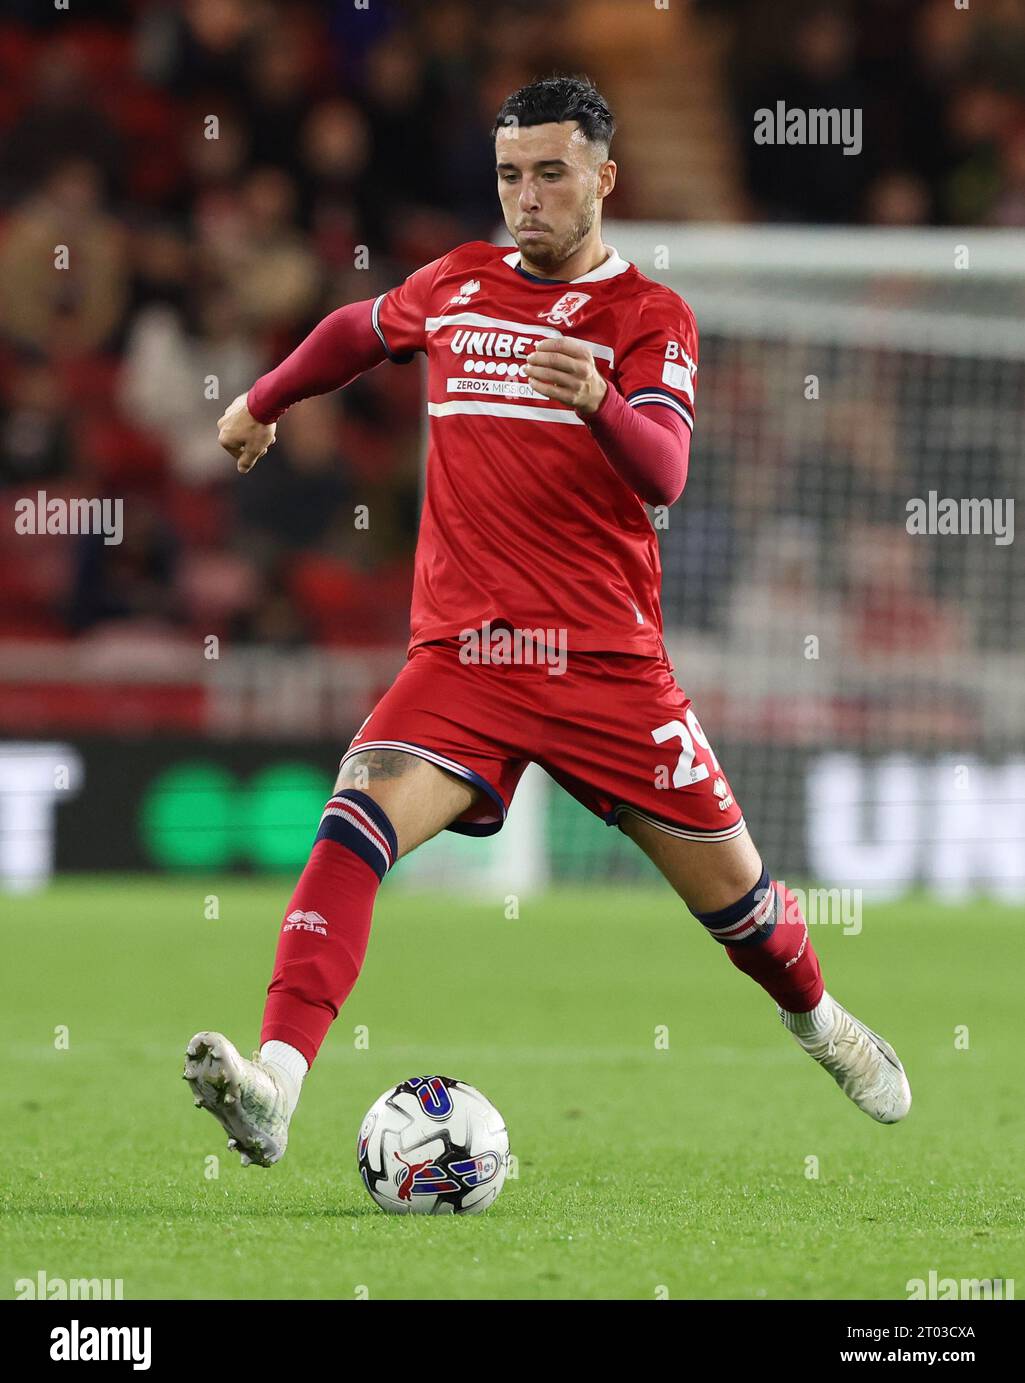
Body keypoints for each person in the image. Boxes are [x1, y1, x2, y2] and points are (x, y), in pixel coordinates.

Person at [184, 76, 911, 1170]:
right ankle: (274, 1085)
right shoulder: (460, 284)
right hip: (465, 661)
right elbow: (353, 328)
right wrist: (263, 400)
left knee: (746, 917)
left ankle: (821, 1022)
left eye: (550, 174)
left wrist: (599, 401)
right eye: (509, 176)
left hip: (609, 671)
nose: (526, 197)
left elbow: (662, 472)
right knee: (353, 820)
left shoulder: (647, 317)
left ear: (603, 179)